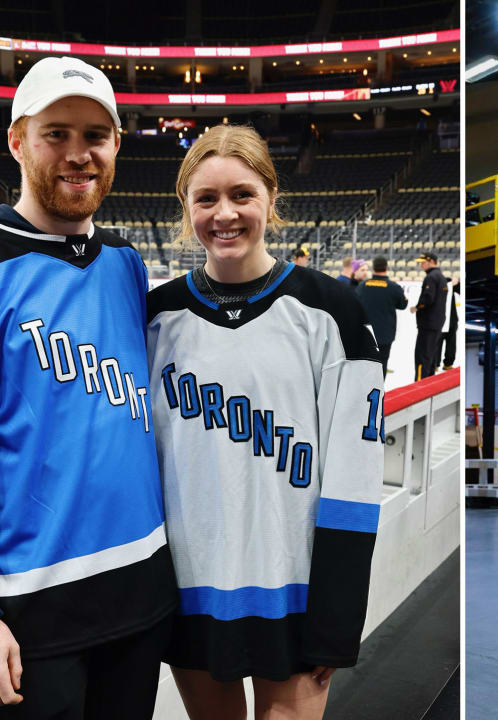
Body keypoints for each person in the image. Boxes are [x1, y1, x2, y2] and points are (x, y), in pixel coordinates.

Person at [0, 56, 176, 718]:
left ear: (116, 146)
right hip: (31, 618)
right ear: (18, 141)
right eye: (56, 134)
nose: (78, 154)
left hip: (141, 599)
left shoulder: (125, 263)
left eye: (95, 136)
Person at [148, 124, 384, 720]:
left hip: (297, 592)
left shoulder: (333, 312)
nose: (224, 214)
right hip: (189, 588)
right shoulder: (154, 317)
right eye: (206, 198)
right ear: (186, 207)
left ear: (271, 198)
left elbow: (356, 480)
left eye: (242, 195)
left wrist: (336, 614)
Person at [356, 255, 408, 375]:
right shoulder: (394, 287)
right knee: (382, 362)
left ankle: (365, 386)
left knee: (366, 362)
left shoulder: (363, 286)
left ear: (373, 268)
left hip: (366, 332)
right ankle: (378, 386)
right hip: (385, 334)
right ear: (387, 268)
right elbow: (403, 305)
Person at [409, 251, 448, 380]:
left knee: (422, 356)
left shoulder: (431, 277)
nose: (421, 265)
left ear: (431, 261)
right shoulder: (441, 277)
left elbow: (428, 298)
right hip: (437, 322)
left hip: (427, 323)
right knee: (431, 355)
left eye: (423, 262)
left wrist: (417, 307)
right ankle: (429, 383)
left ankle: (420, 384)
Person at [440, 277, 460, 370]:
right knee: (439, 342)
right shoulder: (440, 285)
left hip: (451, 319)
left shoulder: (449, 284)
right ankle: (437, 364)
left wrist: (458, 282)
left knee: (450, 344)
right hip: (442, 319)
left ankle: (447, 364)